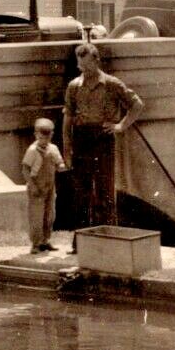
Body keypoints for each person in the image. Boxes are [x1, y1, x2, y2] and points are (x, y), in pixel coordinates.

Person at [64, 42, 143, 230]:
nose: (83, 69)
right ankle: (81, 240)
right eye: (80, 65)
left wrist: (121, 126)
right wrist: (67, 147)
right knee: (81, 193)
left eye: (87, 65)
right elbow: (68, 117)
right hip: (81, 139)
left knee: (104, 190)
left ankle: (108, 237)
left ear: (96, 60)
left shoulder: (112, 84)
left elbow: (137, 105)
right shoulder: (74, 86)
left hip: (103, 138)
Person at [22, 117, 67, 253]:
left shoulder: (53, 149)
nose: (44, 141)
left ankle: (45, 240)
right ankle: (35, 243)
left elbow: (60, 164)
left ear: (51, 136)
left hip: (49, 185)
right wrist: (32, 185)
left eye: (47, 138)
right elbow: (25, 169)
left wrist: (62, 165)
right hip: (36, 184)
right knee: (36, 215)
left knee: (49, 214)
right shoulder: (32, 150)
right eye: (41, 138)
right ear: (36, 135)